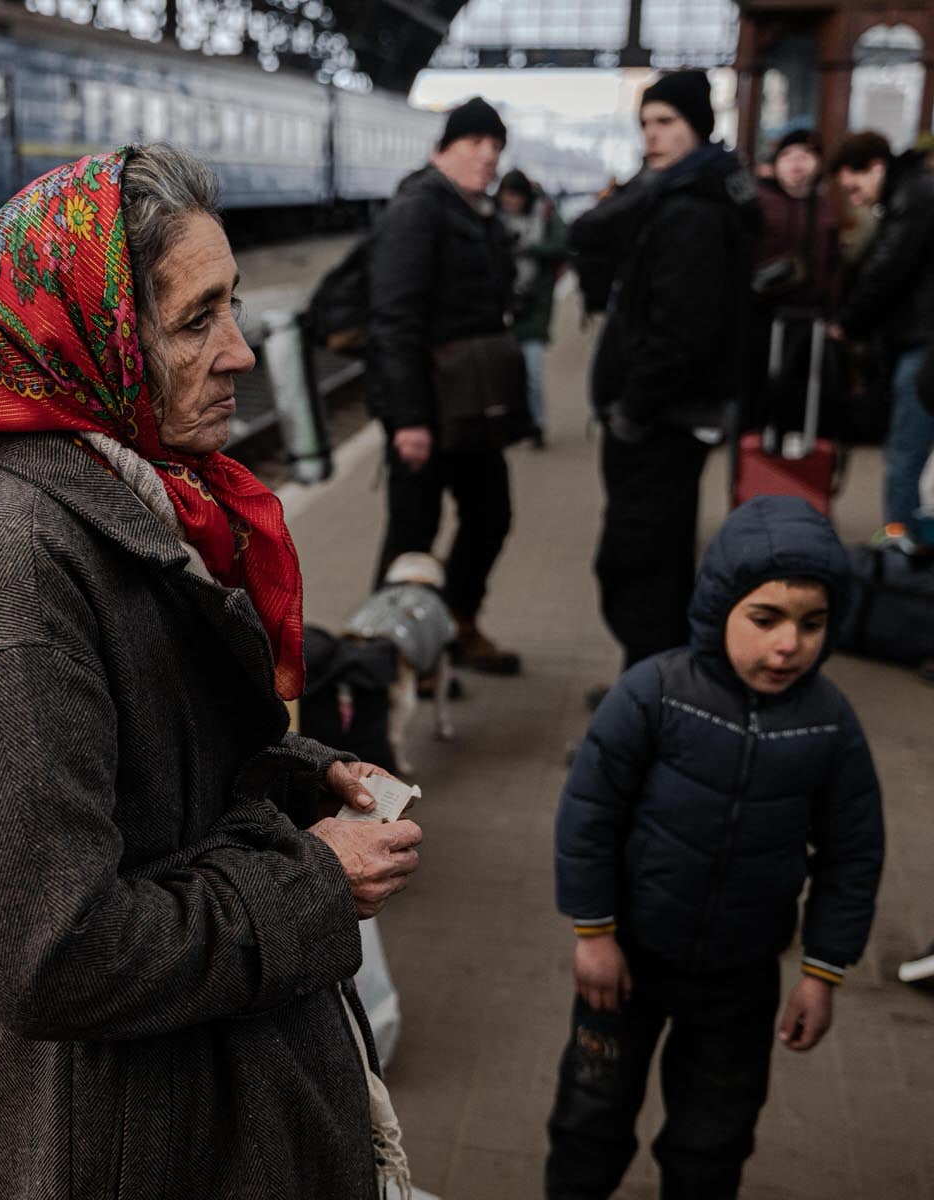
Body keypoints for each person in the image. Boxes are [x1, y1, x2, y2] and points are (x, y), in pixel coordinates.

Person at [0, 144, 425, 1199]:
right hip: (121, 1143)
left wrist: (298, 776)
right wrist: (315, 881)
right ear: (88, 335)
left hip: (183, 1109)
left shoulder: (115, 484)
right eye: (194, 320)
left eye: (232, 305)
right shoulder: (7, 574)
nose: (240, 352)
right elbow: (55, 954)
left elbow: (140, 751)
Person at [547, 495, 885, 1199]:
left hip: (742, 976)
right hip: (628, 959)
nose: (788, 644)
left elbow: (853, 853)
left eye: (812, 623)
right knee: (591, 1115)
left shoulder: (830, 725)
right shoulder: (655, 693)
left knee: (715, 1135)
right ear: (718, 607)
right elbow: (589, 813)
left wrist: (822, 972)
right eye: (765, 619)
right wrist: (594, 933)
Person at [569, 70, 762, 671]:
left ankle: (650, 694)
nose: (651, 135)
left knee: (637, 564)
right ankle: (656, 682)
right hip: (670, 417)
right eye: (645, 123)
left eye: (666, 122)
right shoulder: (681, 195)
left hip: (660, 422)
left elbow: (681, 331)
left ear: (697, 127)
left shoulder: (690, 212)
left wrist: (633, 409)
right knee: (660, 559)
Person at [366, 95, 524, 676]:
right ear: (443, 148)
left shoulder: (476, 213)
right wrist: (409, 419)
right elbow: (395, 320)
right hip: (426, 409)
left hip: (470, 407)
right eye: (475, 142)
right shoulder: (419, 210)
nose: (489, 155)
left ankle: (453, 624)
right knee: (413, 534)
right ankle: (385, 657)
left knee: (491, 515)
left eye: (496, 145)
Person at [828, 130, 934, 530]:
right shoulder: (911, 191)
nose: (855, 199)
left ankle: (899, 544)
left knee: (905, 452)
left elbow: (886, 270)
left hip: (923, 341)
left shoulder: (914, 195)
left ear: (876, 167)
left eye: (855, 188)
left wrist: (848, 322)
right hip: (918, 337)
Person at [749, 128, 842, 432]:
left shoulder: (825, 205)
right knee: (763, 390)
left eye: (805, 155)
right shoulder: (759, 200)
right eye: (788, 155)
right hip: (765, 315)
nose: (796, 163)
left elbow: (834, 262)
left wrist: (833, 309)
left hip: (811, 317)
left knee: (804, 394)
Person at [497, 167, 568, 448]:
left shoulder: (546, 215)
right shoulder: (494, 220)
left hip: (535, 306)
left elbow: (562, 245)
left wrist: (528, 249)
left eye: (513, 196)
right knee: (507, 372)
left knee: (532, 372)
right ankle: (516, 422)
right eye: (505, 197)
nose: (509, 202)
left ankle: (536, 425)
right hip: (506, 305)